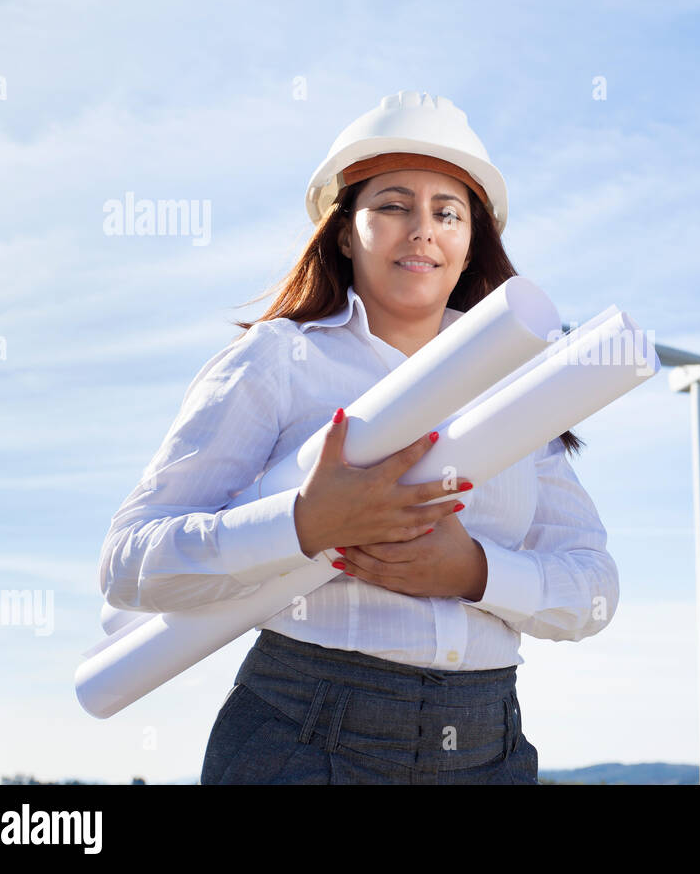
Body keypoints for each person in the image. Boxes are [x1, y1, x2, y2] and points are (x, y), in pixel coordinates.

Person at [98, 91, 617, 784]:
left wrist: (475, 572)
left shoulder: (519, 390)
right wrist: (304, 523)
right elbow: (131, 563)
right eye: (393, 205)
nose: (422, 230)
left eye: (447, 212)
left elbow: (593, 589)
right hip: (306, 738)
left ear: (470, 244)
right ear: (345, 232)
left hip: (490, 746)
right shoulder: (278, 361)